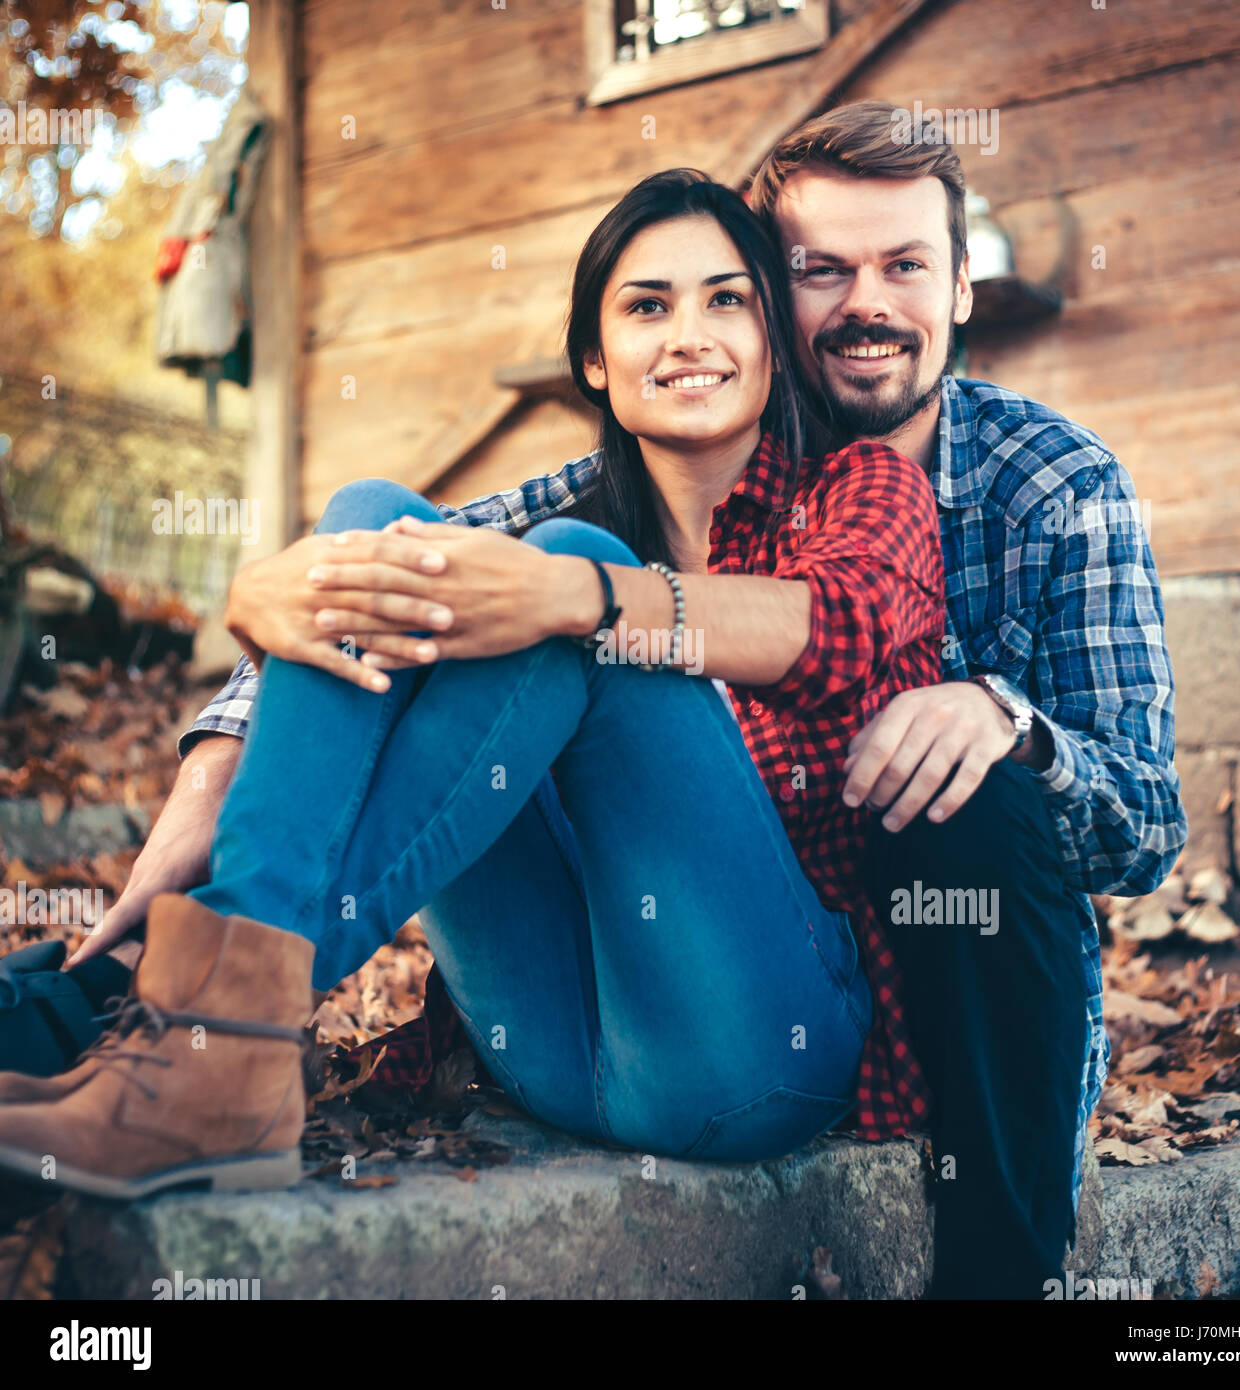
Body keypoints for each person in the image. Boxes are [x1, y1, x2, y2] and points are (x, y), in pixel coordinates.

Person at [0, 172, 946, 1218]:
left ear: (773, 340)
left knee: (565, 581)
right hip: (548, 1044)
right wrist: (262, 594)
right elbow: (380, 553)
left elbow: (847, 629)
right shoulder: (565, 509)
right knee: (378, 517)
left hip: (753, 1051)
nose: (689, 335)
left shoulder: (862, 487)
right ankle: (215, 1049)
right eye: (646, 306)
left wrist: (580, 593)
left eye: (728, 300)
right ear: (593, 356)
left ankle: (186, 1017)